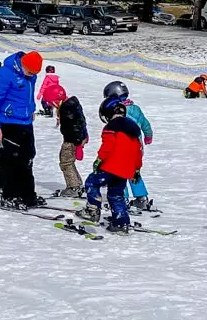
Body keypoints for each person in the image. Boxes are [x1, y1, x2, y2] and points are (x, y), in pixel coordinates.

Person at [0, 51, 43, 208]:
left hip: (25, 123)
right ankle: (9, 194)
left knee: (27, 159)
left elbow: (28, 95)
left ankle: (27, 194)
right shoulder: (5, 74)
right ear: (23, 64)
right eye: (30, 72)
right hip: (8, 122)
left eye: (35, 73)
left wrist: (31, 109)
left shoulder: (31, 75)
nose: (32, 75)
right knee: (11, 160)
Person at [84, 94, 142, 231]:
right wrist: (136, 169)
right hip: (124, 171)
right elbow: (138, 151)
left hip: (110, 167)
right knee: (116, 195)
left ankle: (92, 210)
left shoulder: (111, 127)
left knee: (91, 182)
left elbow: (108, 146)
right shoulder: (133, 129)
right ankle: (121, 222)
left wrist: (99, 160)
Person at [103, 81, 156, 211]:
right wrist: (148, 136)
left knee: (118, 171)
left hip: (121, 147)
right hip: (136, 147)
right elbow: (145, 123)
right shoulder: (136, 109)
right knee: (133, 171)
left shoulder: (117, 110)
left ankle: (122, 198)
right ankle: (141, 198)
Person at [55, 93, 90, 197]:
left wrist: (77, 139)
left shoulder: (66, 108)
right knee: (68, 162)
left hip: (71, 140)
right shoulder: (73, 104)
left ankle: (73, 187)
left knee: (66, 162)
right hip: (75, 138)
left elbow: (74, 126)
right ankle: (77, 184)